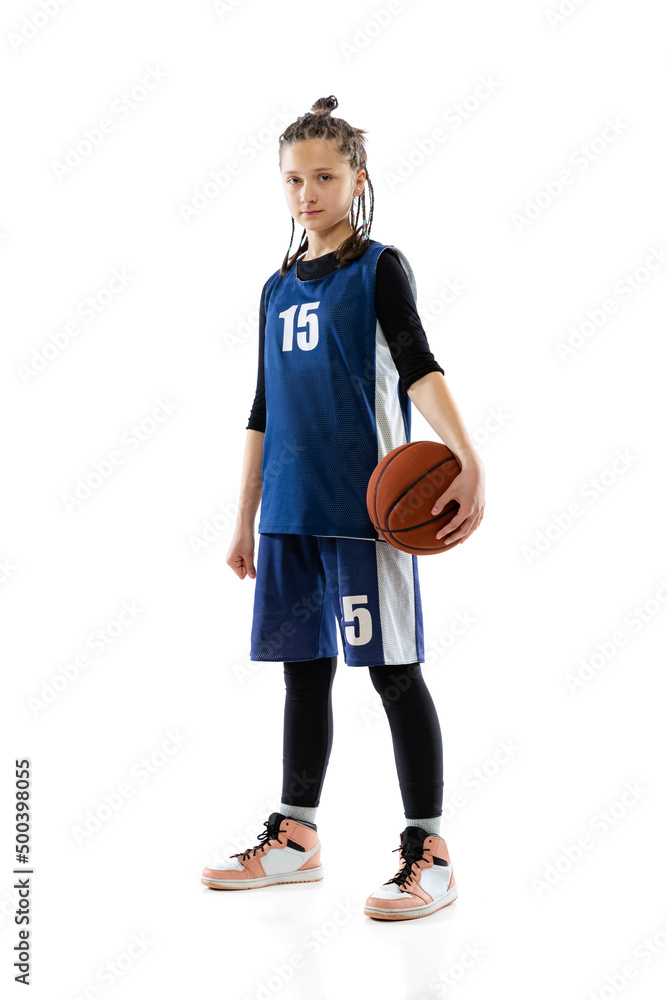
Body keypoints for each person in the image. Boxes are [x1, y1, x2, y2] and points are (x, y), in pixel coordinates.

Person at [201, 95, 485, 921]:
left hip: (365, 515)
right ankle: (295, 837)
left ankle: (427, 850)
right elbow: (262, 408)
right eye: (293, 179)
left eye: (323, 176)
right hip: (288, 513)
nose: (305, 193)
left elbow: (420, 366)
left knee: (393, 674)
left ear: (356, 181)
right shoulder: (274, 287)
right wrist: (244, 517)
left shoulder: (378, 269)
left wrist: (467, 455)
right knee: (303, 676)